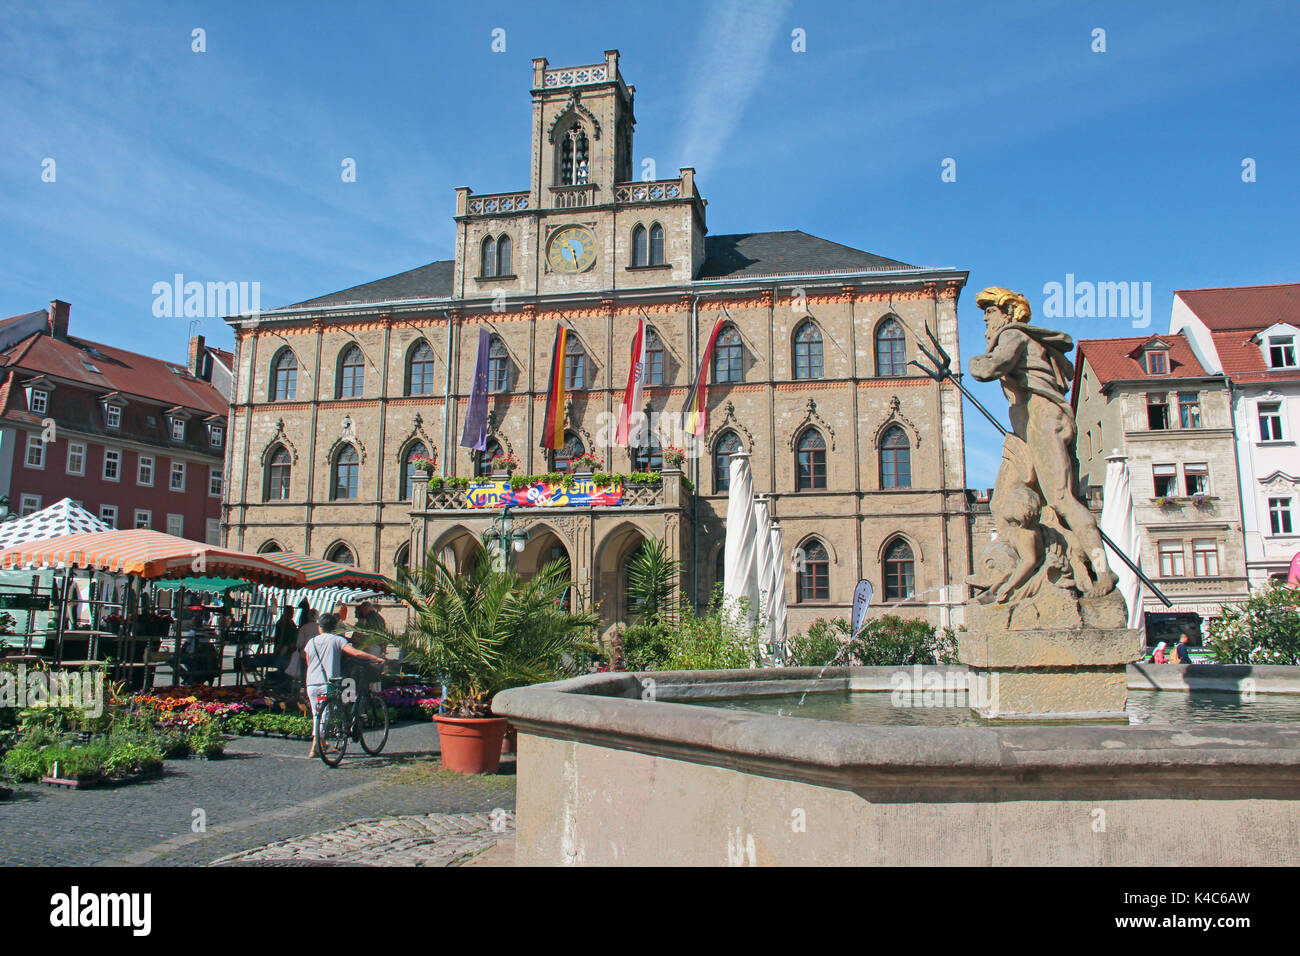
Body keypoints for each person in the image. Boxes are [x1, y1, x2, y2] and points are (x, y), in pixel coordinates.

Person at [304, 612, 385, 758]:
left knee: (317, 714)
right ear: (334, 627)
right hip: (328, 681)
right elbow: (355, 653)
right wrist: (375, 658)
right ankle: (316, 745)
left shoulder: (311, 642)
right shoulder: (337, 640)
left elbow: (308, 662)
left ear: (319, 627)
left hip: (311, 682)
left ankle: (321, 743)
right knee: (327, 712)